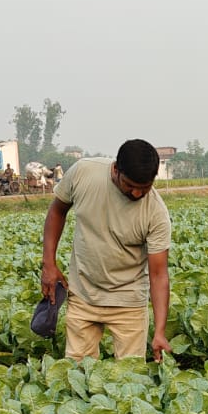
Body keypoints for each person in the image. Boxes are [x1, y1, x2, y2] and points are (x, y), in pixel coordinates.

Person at [40, 139, 171, 361]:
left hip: (128, 302)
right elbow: (57, 210)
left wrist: (159, 332)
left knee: (130, 379)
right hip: (83, 295)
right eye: (130, 185)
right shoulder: (84, 173)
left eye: (145, 188)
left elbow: (159, 276)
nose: (137, 194)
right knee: (77, 372)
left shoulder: (156, 214)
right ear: (115, 169)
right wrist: (49, 264)